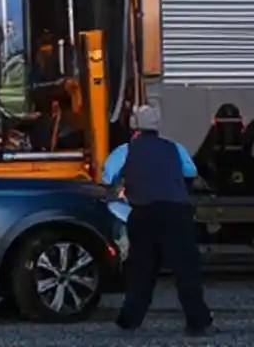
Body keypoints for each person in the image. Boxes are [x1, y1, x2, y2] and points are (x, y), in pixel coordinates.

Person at [101, 103, 215, 337]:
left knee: (141, 272)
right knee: (186, 272)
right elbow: (190, 172)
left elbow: (107, 175)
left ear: (134, 126)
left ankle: (129, 321)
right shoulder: (175, 148)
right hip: (177, 214)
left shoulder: (125, 151)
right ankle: (198, 323)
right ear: (157, 126)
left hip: (143, 215)